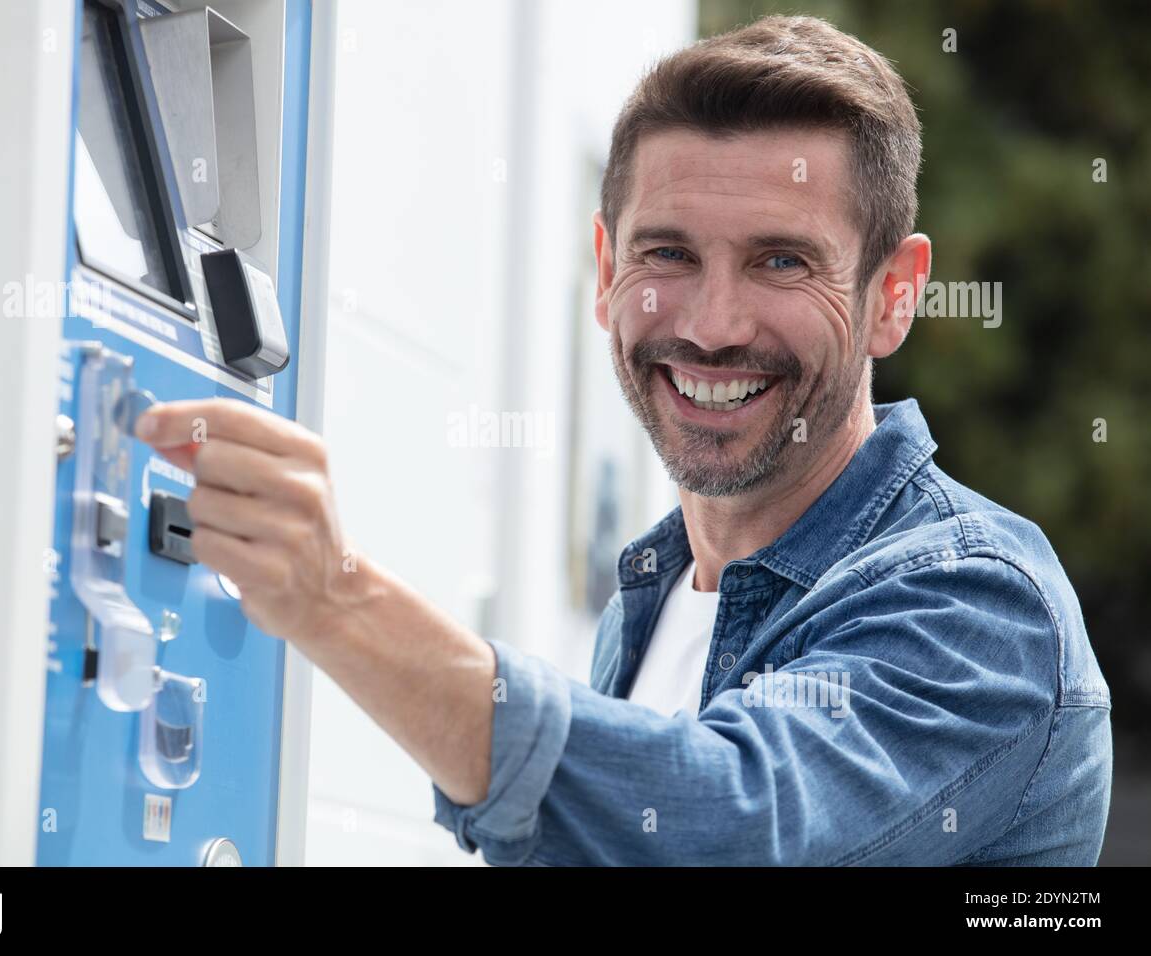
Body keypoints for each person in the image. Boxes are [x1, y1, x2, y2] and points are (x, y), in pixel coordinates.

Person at [135, 15, 1112, 866]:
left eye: (781, 259)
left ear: (893, 293)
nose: (714, 322)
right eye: (668, 253)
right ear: (605, 268)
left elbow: (727, 829)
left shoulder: (980, 600)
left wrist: (336, 594)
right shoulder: (652, 596)